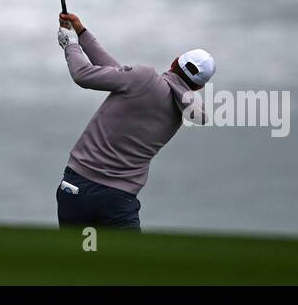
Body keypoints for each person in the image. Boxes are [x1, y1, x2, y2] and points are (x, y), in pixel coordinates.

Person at [55, 12, 214, 231]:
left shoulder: (143, 78)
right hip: (120, 202)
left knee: (76, 261)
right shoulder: (183, 108)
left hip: (78, 187)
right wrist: (82, 33)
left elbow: (83, 74)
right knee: (130, 264)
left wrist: (70, 44)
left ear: (175, 61)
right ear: (198, 87)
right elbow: (116, 74)